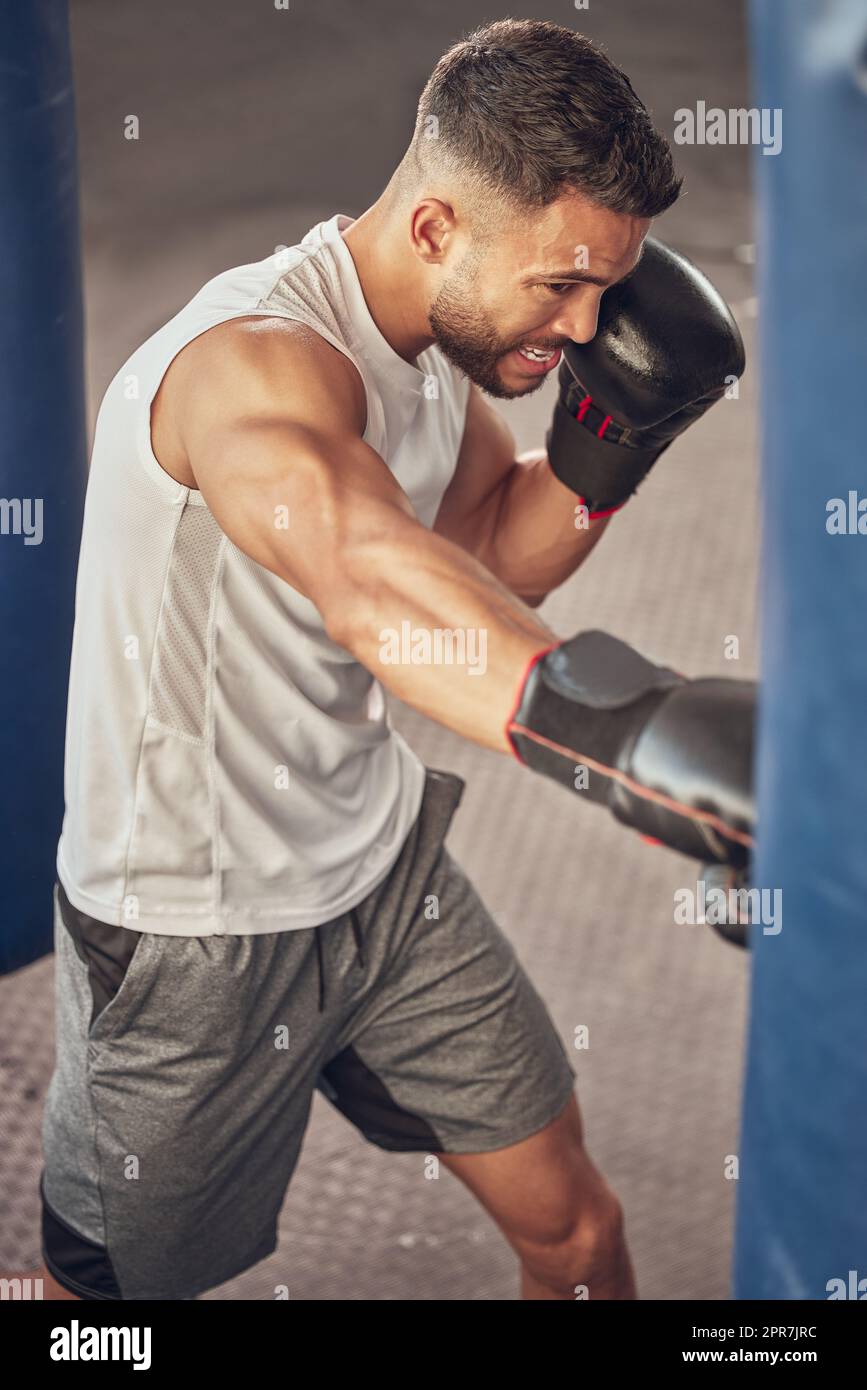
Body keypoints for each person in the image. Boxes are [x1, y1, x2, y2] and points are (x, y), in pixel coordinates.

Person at [31, 17, 750, 1301]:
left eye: (606, 292)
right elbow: (366, 573)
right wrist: (627, 733)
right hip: (190, 929)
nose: (589, 328)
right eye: (561, 286)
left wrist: (607, 452)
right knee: (104, 1316)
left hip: (378, 874)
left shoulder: (430, 349)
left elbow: (482, 555)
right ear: (436, 228)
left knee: (576, 1232)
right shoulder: (251, 369)